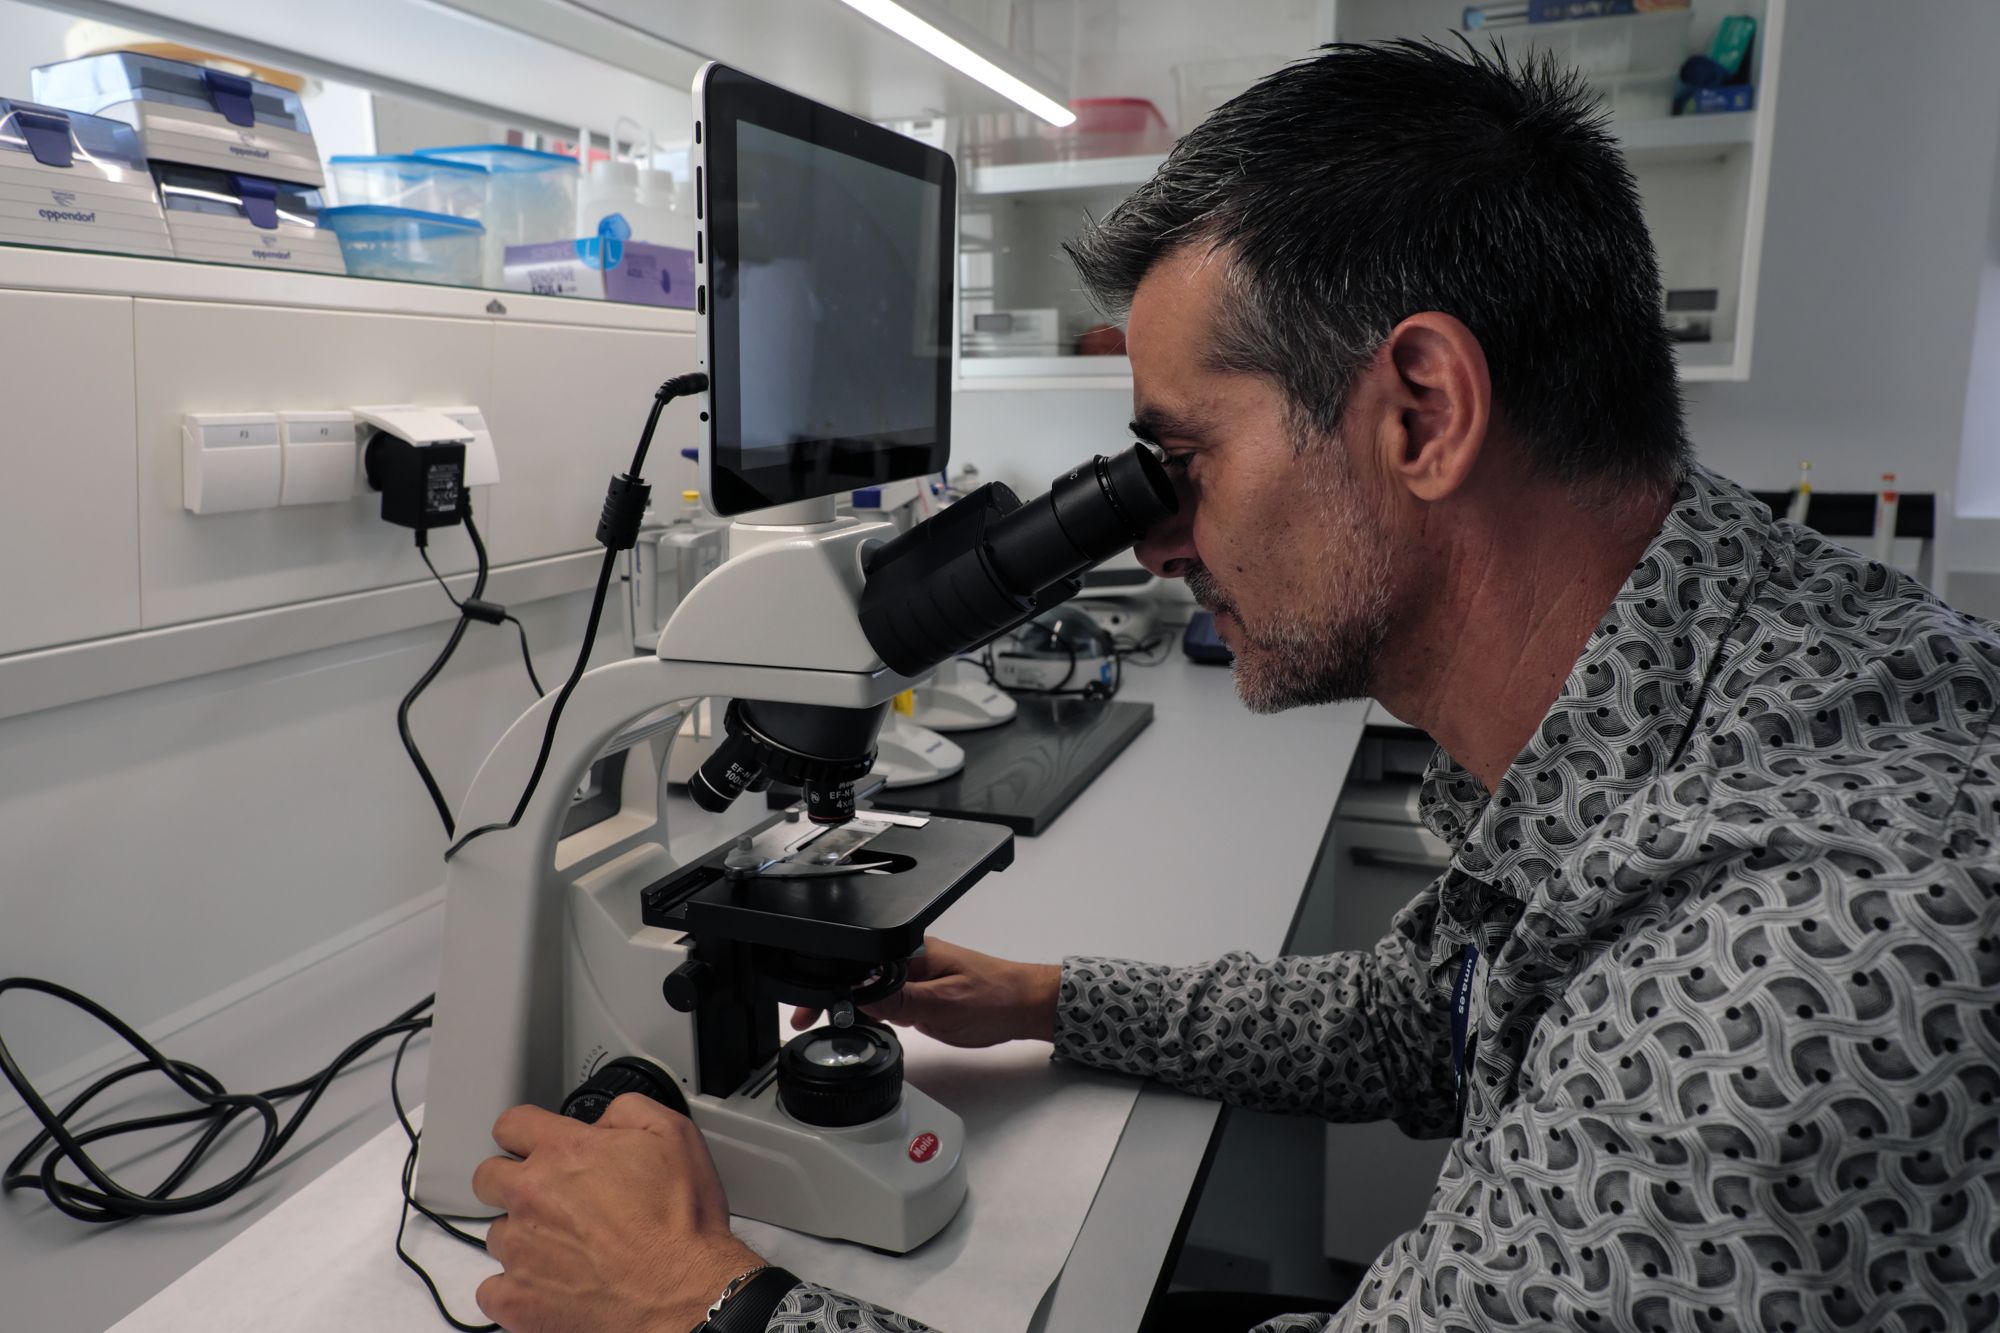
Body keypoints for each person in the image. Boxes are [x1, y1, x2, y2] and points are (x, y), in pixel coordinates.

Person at [464, 40, 2000, 1333]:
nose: (1154, 535)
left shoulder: (1775, 962)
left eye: (1179, 458)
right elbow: (1429, 1017)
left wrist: (707, 1301)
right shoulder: (1700, 679)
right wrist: (1041, 1001)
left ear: (1420, 412)